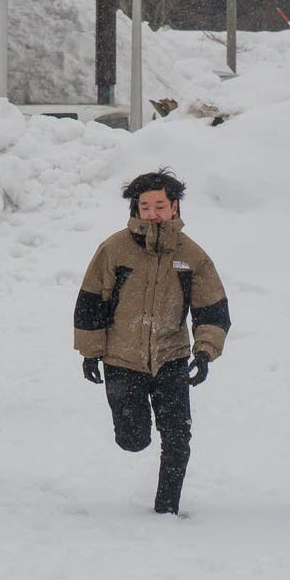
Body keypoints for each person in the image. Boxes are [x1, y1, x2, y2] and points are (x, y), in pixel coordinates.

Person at [73, 169, 229, 516]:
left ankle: (166, 508)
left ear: (174, 207)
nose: (153, 213)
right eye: (146, 206)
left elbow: (213, 309)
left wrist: (204, 351)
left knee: (177, 438)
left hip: (171, 357)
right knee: (133, 439)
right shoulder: (114, 249)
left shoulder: (192, 255)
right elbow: (90, 301)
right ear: (136, 209)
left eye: (160, 205)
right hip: (121, 359)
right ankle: (133, 436)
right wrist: (90, 352)